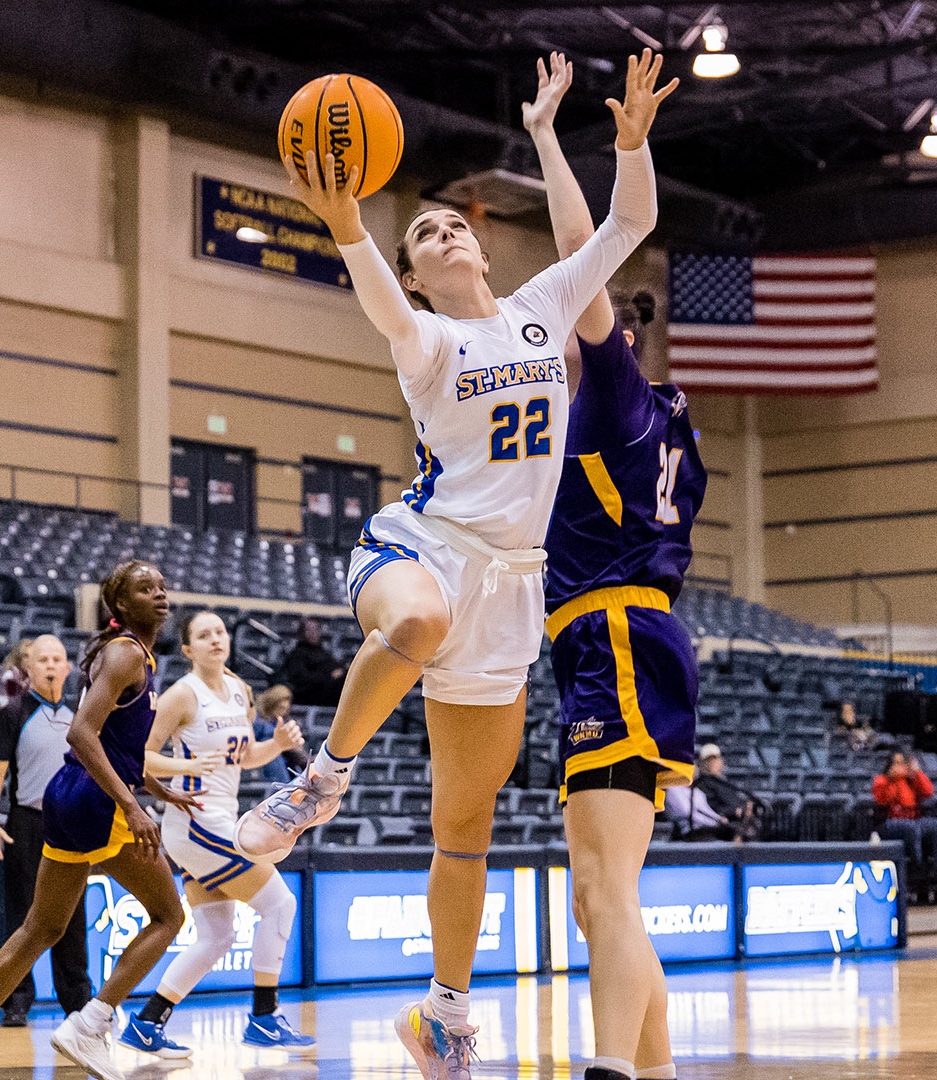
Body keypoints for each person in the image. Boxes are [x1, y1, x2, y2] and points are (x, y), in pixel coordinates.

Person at [233, 51, 668, 1080]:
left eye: (452, 225)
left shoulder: (540, 307)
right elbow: (380, 307)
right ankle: (321, 780)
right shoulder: (423, 338)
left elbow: (628, 226)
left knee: (465, 830)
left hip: (513, 586)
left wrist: (628, 145)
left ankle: (444, 1013)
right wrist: (348, 225)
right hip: (423, 548)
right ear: (417, 274)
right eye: (424, 234)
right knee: (416, 623)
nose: (445, 233)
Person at [0, 561, 196, 1080]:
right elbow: (81, 734)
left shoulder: (130, 654)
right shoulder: (125, 654)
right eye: (146, 589)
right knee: (168, 916)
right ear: (121, 605)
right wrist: (131, 805)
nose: (160, 595)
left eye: (162, 587)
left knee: (41, 927)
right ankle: (91, 1023)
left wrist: (150, 783)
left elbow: (113, 742)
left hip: (70, 795)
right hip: (96, 801)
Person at [121, 611, 312, 1059]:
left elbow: (242, 758)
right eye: (203, 635)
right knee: (280, 904)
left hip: (218, 818)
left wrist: (278, 745)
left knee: (217, 937)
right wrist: (186, 765)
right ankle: (264, 1017)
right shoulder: (182, 695)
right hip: (195, 820)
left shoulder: (240, 690)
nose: (215, 639)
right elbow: (139, 757)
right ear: (188, 649)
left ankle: (147, 1023)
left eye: (220, 632)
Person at [0, 634, 89, 1028]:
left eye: (57, 659)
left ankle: (79, 1002)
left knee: (73, 917)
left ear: (67, 667)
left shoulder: (80, 715)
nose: (50, 665)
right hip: (28, 822)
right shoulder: (14, 712)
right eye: (43, 659)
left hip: (72, 824)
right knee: (23, 915)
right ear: (29, 667)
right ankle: (17, 1000)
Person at [872, 751, 937, 872]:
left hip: (912, 819)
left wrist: (917, 772)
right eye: (897, 763)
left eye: (903, 763)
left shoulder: (910, 780)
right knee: (911, 827)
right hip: (888, 821)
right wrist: (892, 780)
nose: (901, 766)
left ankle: (936, 866)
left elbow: (928, 791)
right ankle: (917, 866)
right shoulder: (882, 780)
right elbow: (882, 801)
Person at [277, 617, 344, 708]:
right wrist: (329, 676)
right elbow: (301, 679)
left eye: (316, 629)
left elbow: (335, 667)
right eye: (309, 630)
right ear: (302, 633)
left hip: (328, 690)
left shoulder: (323, 652)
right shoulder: (297, 654)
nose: (313, 633)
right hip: (311, 693)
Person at [249, 684, 302, 784]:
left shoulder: (284, 721)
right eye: (280, 708)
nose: (283, 712)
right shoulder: (257, 720)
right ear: (271, 704)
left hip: (287, 760)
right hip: (263, 760)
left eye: (285, 709)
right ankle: (282, 784)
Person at [0, 639, 32, 708]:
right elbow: (7, 707)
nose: (29, 660)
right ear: (18, 657)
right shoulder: (8, 676)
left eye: (32, 656)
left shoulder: (29, 678)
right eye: (25, 656)